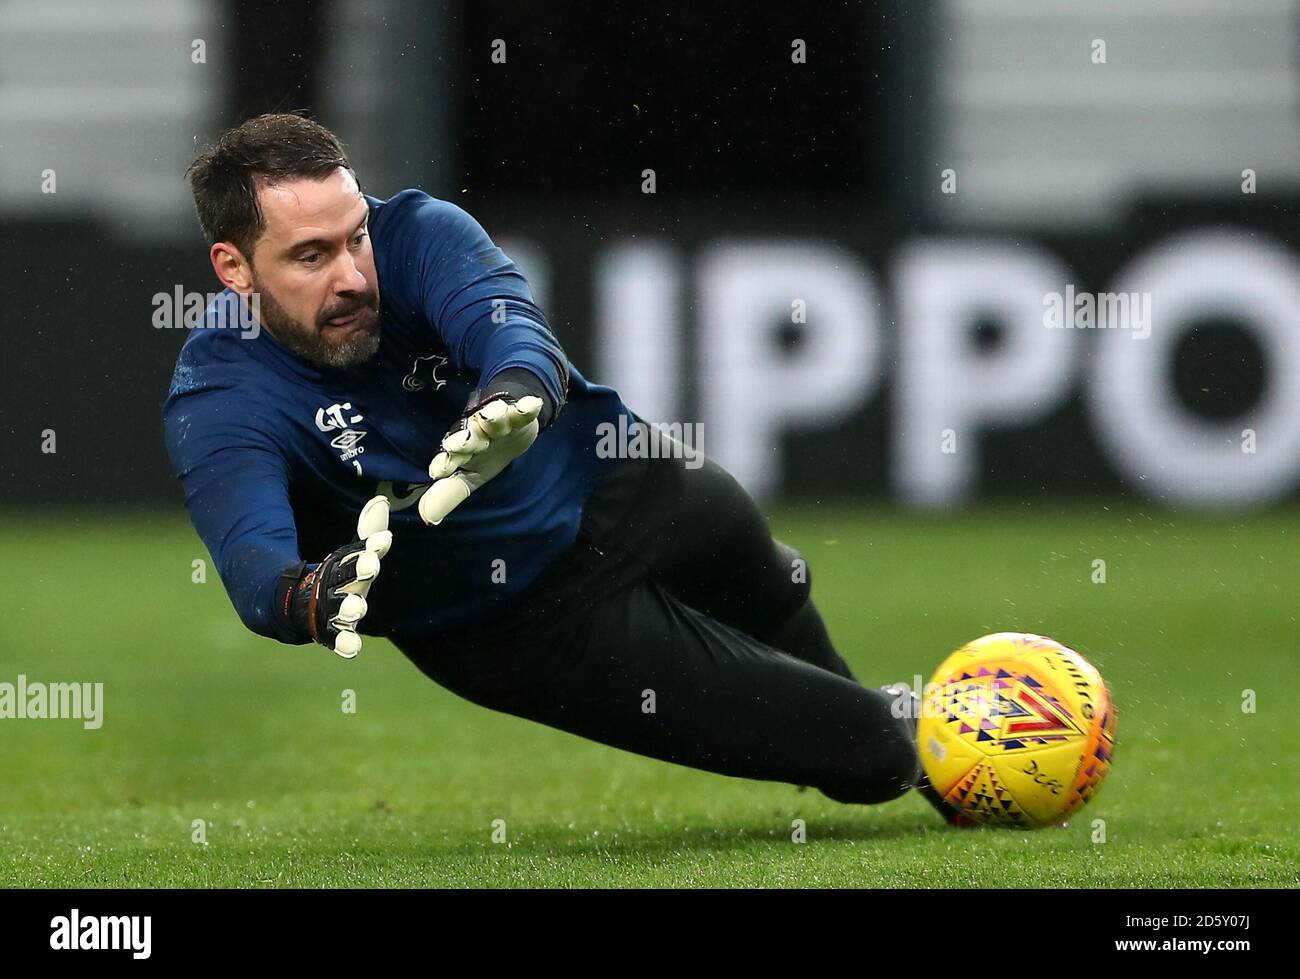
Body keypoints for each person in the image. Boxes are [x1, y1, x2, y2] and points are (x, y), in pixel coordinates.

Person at [164, 112, 934, 813]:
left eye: (354, 236)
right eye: (310, 256)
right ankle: (927, 740)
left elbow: (514, 330)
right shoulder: (220, 396)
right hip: (519, 621)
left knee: (782, 577)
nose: (354, 276)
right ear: (234, 268)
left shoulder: (420, 233)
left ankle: (902, 728)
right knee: (874, 750)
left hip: (618, 477)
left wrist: (516, 397)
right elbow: (251, 560)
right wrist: (309, 595)